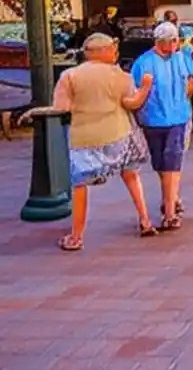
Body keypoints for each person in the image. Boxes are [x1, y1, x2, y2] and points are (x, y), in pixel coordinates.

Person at [21, 33, 157, 251]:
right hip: (119, 134)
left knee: (80, 185)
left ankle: (76, 237)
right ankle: (145, 220)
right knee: (131, 173)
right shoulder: (121, 76)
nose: (115, 53)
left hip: (84, 137)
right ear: (103, 52)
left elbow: (61, 108)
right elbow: (132, 103)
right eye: (113, 49)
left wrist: (36, 111)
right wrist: (145, 88)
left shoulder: (70, 76)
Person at [131, 22, 193, 232]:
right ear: (163, 42)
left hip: (177, 118)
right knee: (160, 164)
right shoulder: (144, 62)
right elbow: (135, 90)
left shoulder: (181, 58)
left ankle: (169, 213)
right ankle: (172, 197)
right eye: (173, 41)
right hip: (152, 120)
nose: (176, 45)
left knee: (172, 162)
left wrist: (182, 98)